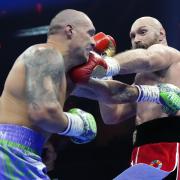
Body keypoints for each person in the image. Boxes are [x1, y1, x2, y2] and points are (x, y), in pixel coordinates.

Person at [69, 17, 180, 179]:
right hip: (141, 152)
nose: (137, 39)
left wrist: (103, 64)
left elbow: (146, 58)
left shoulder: (170, 55)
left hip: (171, 147)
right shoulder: (141, 79)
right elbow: (113, 115)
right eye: (132, 36)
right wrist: (84, 79)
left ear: (161, 34)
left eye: (143, 32)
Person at [0, 9, 104, 179]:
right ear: (70, 30)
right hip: (10, 150)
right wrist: (78, 125)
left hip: (19, 152)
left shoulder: (62, 75)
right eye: (90, 33)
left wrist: (111, 68)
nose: (93, 42)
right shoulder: (45, 53)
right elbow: (44, 111)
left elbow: (111, 95)